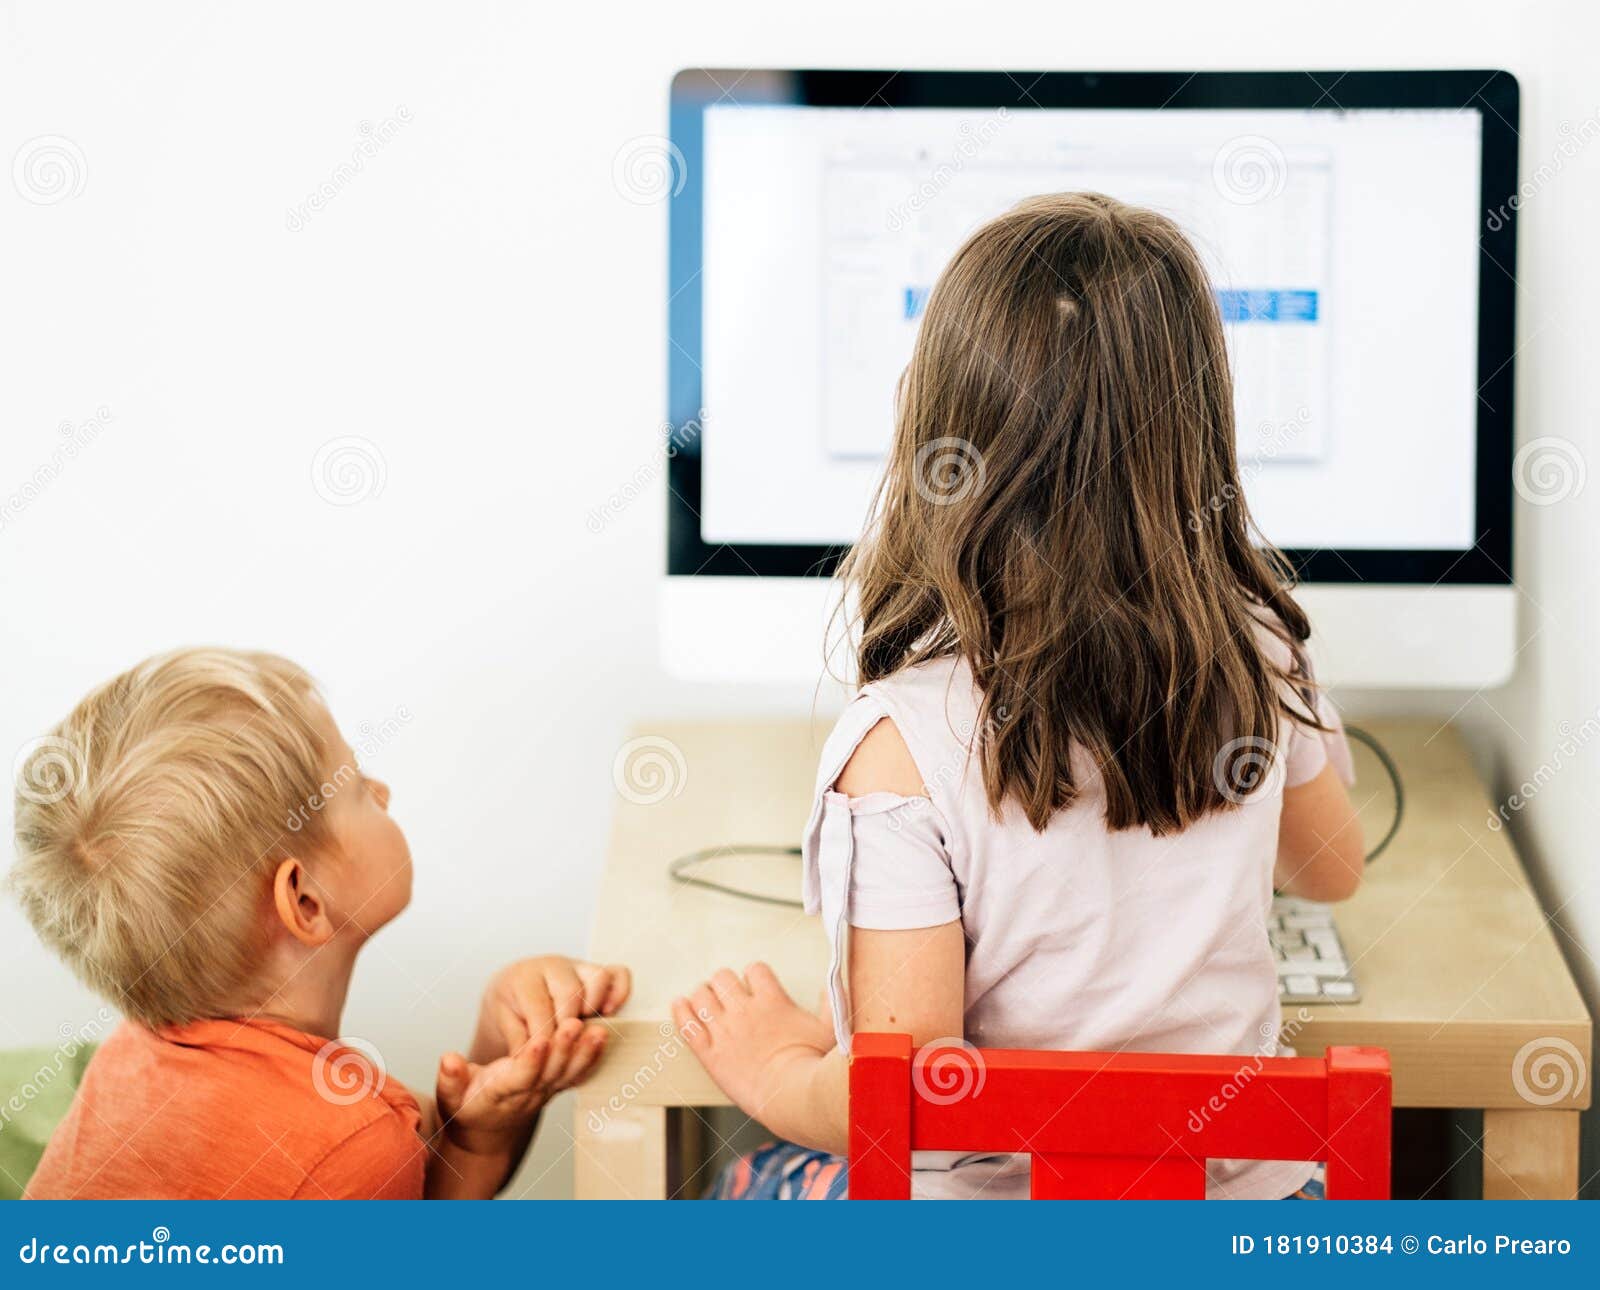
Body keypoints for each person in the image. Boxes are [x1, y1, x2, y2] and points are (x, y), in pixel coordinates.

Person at [675, 192, 1363, 1200]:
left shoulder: (898, 745)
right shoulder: (1257, 657)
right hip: (1245, 1221)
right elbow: (1332, 872)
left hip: (992, 1238)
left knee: (742, 1185)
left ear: (937, 435)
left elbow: (907, 1109)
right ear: (1198, 436)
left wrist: (777, 1067)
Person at [12, 647, 629, 1199]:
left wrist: (481, 1115)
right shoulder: (348, 1144)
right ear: (304, 902)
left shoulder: (129, 1058)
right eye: (356, 786)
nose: (383, 791)